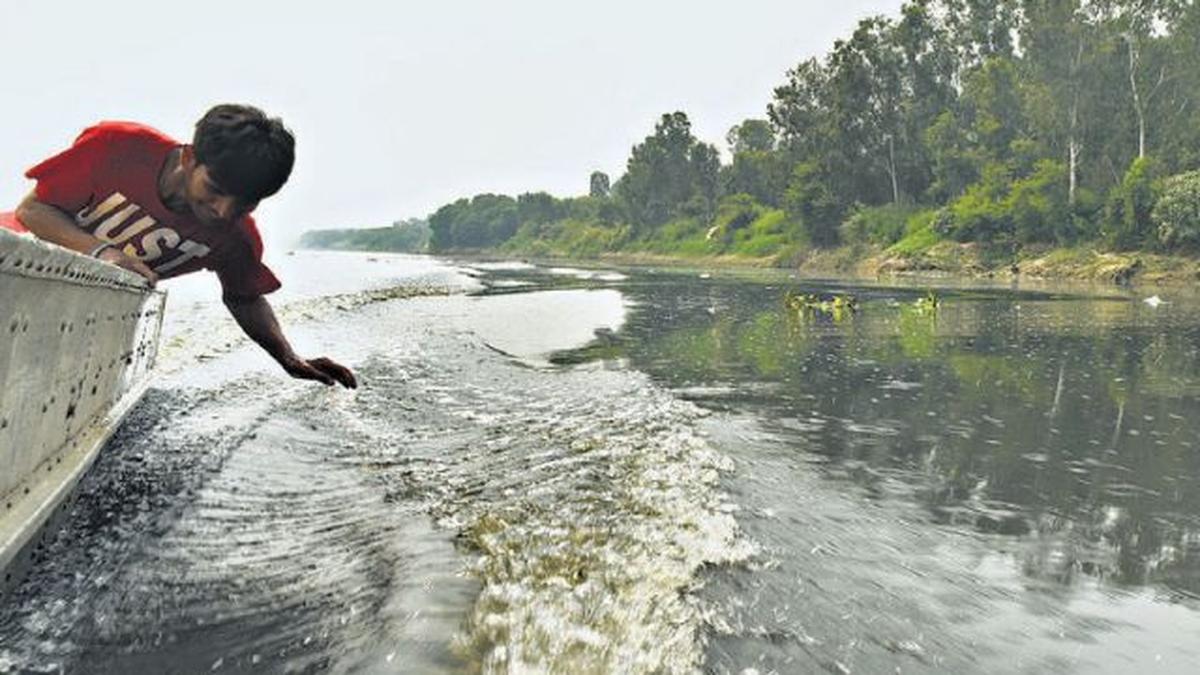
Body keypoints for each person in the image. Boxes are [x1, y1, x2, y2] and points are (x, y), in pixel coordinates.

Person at [1, 104, 357, 388]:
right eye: (215, 189)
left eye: (246, 203)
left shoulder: (236, 238)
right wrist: (103, 253)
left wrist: (289, 358)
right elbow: (32, 209)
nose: (223, 211)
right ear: (189, 158)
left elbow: (243, 296)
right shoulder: (118, 147)